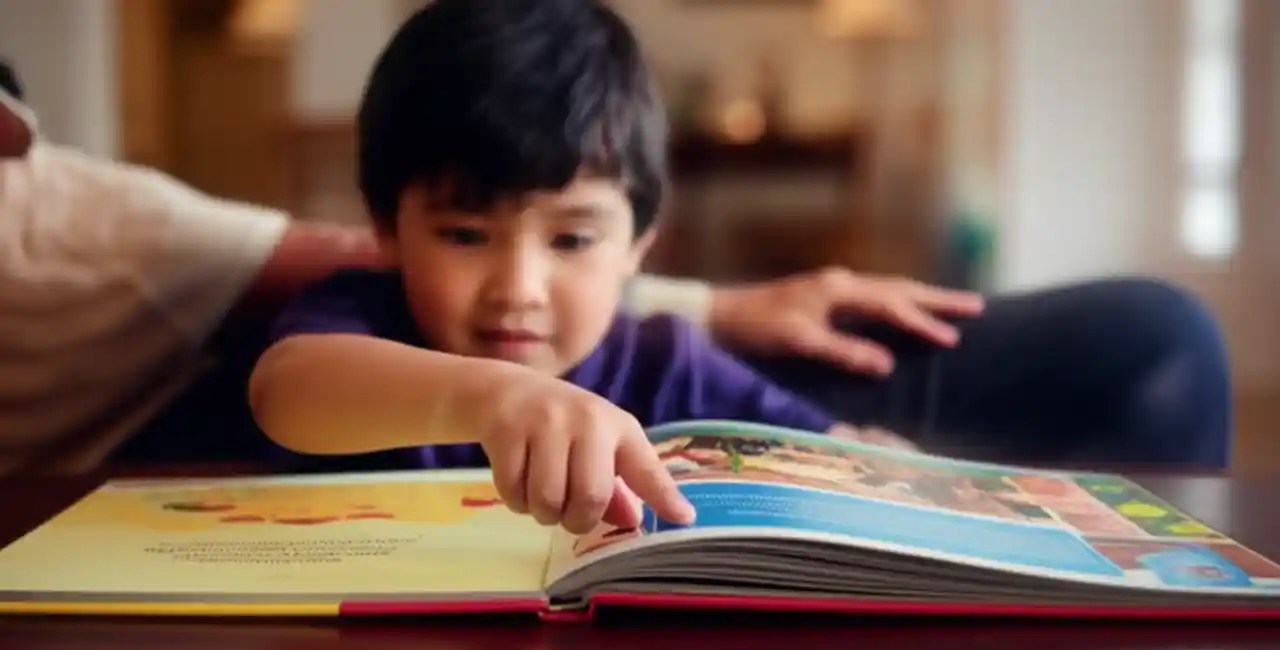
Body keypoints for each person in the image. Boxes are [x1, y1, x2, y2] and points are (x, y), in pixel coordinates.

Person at [247, 0, 981, 532]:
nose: (518, 291)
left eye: (571, 241)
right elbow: (284, 393)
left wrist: (879, 465)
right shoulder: (362, 324)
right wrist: (491, 398)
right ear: (385, 226)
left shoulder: (668, 362)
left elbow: (815, 451)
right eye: (466, 235)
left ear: (639, 242)